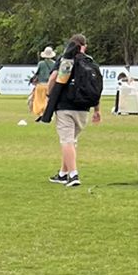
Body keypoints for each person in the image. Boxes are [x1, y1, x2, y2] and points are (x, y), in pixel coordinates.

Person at [41, 33, 102, 186]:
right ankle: (63, 173)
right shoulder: (90, 62)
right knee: (71, 141)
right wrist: (97, 110)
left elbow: (53, 78)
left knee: (67, 141)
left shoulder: (65, 60)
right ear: (84, 46)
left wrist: (49, 95)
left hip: (65, 107)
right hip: (84, 109)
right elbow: (96, 88)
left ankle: (73, 175)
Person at [28, 45, 56, 121]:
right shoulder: (54, 63)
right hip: (50, 85)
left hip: (40, 85)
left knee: (39, 100)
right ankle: (48, 114)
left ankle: (41, 114)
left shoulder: (41, 63)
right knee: (47, 100)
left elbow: (37, 73)